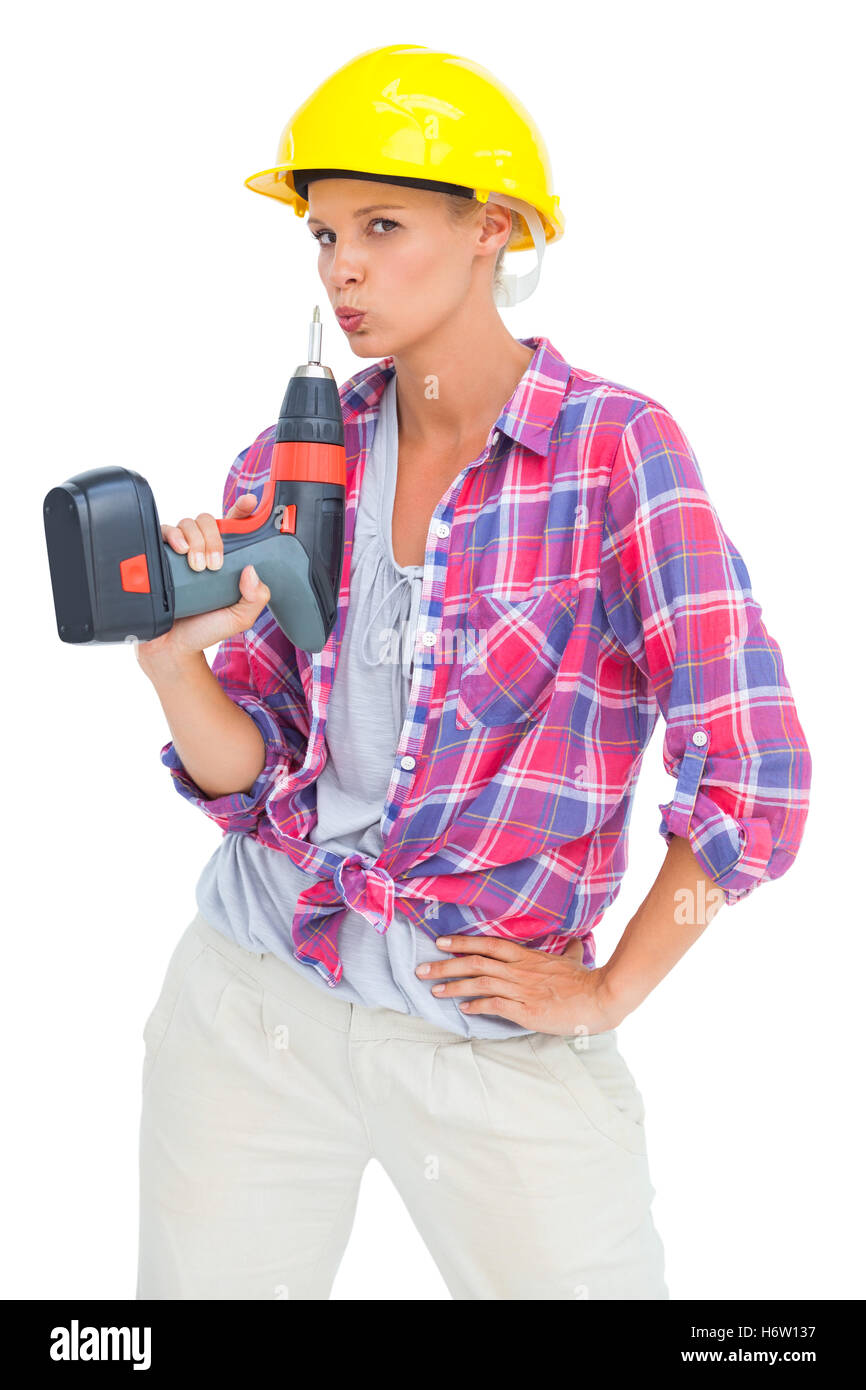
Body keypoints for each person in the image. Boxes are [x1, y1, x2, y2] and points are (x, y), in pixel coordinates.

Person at [133, 44, 812, 1301]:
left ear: (492, 227)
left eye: (380, 226)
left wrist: (607, 990)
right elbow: (254, 769)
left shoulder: (612, 454)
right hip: (249, 1000)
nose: (339, 266)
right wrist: (177, 665)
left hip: (480, 1034)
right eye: (322, 231)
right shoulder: (295, 463)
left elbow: (755, 778)